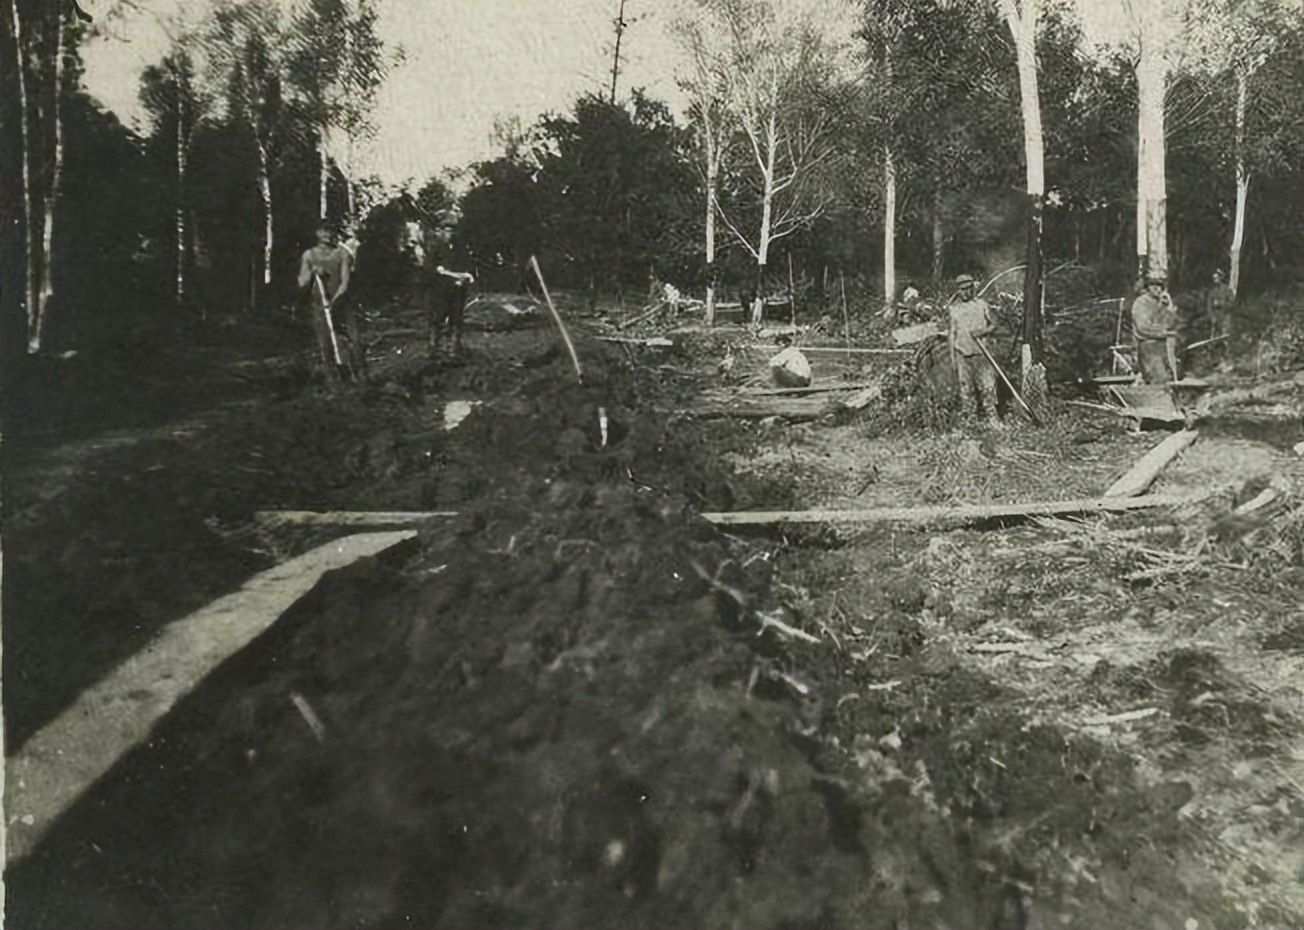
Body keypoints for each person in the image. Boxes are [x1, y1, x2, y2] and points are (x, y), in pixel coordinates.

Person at [297, 224, 363, 384]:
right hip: (319, 305)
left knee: (354, 339)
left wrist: (334, 303)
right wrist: (312, 272)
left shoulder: (342, 254)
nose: (327, 238)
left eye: (329, 234)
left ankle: (359, 375)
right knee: (325, 341)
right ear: (318, 236)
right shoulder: (309, 256)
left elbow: (345, 282)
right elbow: (302, 283)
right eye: (323, 235)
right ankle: (334, 379)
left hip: (341, 303)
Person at [948, 273, 999, 426]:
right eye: (963, 289)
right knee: (966, 390)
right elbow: (951, 334)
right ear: (958, 290)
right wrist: (953, 358)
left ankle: (992, 419)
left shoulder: (982, 305)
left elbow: (995, 324)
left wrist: (982, 332)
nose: (966, 292)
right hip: (962, 354)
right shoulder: (953, 309)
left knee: (988, 386)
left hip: (982, 354)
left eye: (969, 289)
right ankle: (971, 421)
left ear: (973, 288)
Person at [420, 222, 474, 356]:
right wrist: (441, 273)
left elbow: (467, 266)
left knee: (456, 318)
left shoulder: (460, 250)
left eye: (450, 231)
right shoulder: (435, 250)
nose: (448, 234)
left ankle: (453, 348)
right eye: (445, 231)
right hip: (440, 290)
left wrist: (464, 277)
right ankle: (433, 348)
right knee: (437, 318)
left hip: (457, 289)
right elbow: (430, 269)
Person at [1131, 274, 1179, 386]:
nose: (1157, 289)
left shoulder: (1161, 302)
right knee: (1158, 378)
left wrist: (1169, 308)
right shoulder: (1141, 303)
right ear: (1147, 287)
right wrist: (1164, 332)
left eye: (1160, 286)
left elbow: (1171, 324)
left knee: (1170, 378)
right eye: (1153, 286)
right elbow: (1142, 327)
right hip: (1149, 347)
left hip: (1164, 347)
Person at [1205, 269, 1234, 340]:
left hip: (1224, 315)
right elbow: (1209, 305)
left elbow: (1231, 302)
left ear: (1221, 278)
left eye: (1217, 278)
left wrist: (1223, 306)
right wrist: (1212, 317)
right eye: (1214, 278)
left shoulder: (1227, 290)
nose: (1215, 279)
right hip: (1215, 315)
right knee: (1214, 336)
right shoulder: (1212, 291)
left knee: (1225, 335)